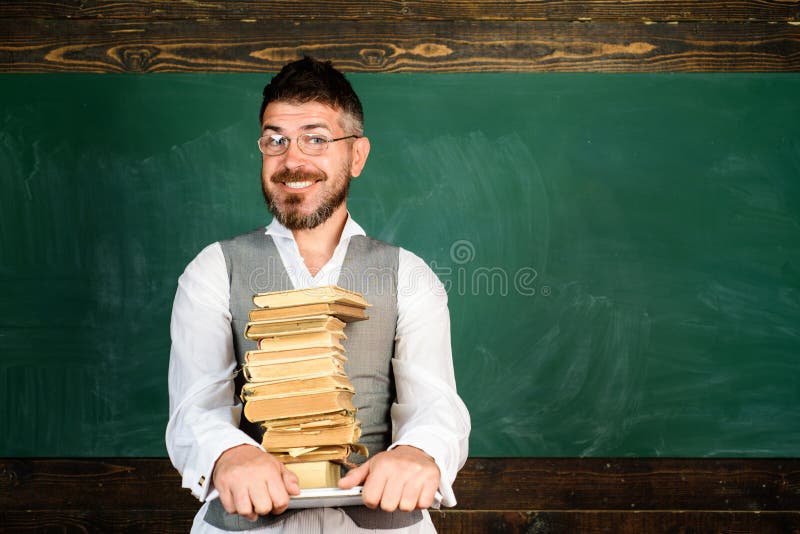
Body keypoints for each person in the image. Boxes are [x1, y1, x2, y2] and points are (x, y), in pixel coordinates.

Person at [166, 57, 470, 533]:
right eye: (276, 139)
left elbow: (436, 404)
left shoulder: (408, 273)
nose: (292, 159)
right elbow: (195, 407)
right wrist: (229, 453)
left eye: (316, 138)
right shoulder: (213, 269)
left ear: (357, 155)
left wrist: (419, 450)